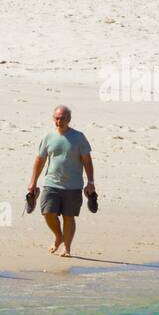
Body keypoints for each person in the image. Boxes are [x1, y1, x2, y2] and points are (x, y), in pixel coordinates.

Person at [28, 105, 96, 257]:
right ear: (54, 119)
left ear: (69, 119)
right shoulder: (48, 137)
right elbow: (40, 160)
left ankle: (67, 248)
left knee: (68, 217)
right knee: (47, 212)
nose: (59, 121)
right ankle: (59, 236)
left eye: (62, 118)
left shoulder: (79, 137)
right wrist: (33, 181)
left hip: (73, 185)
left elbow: (87, 160)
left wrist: (90, 182)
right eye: (57, 118)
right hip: (51, 182)